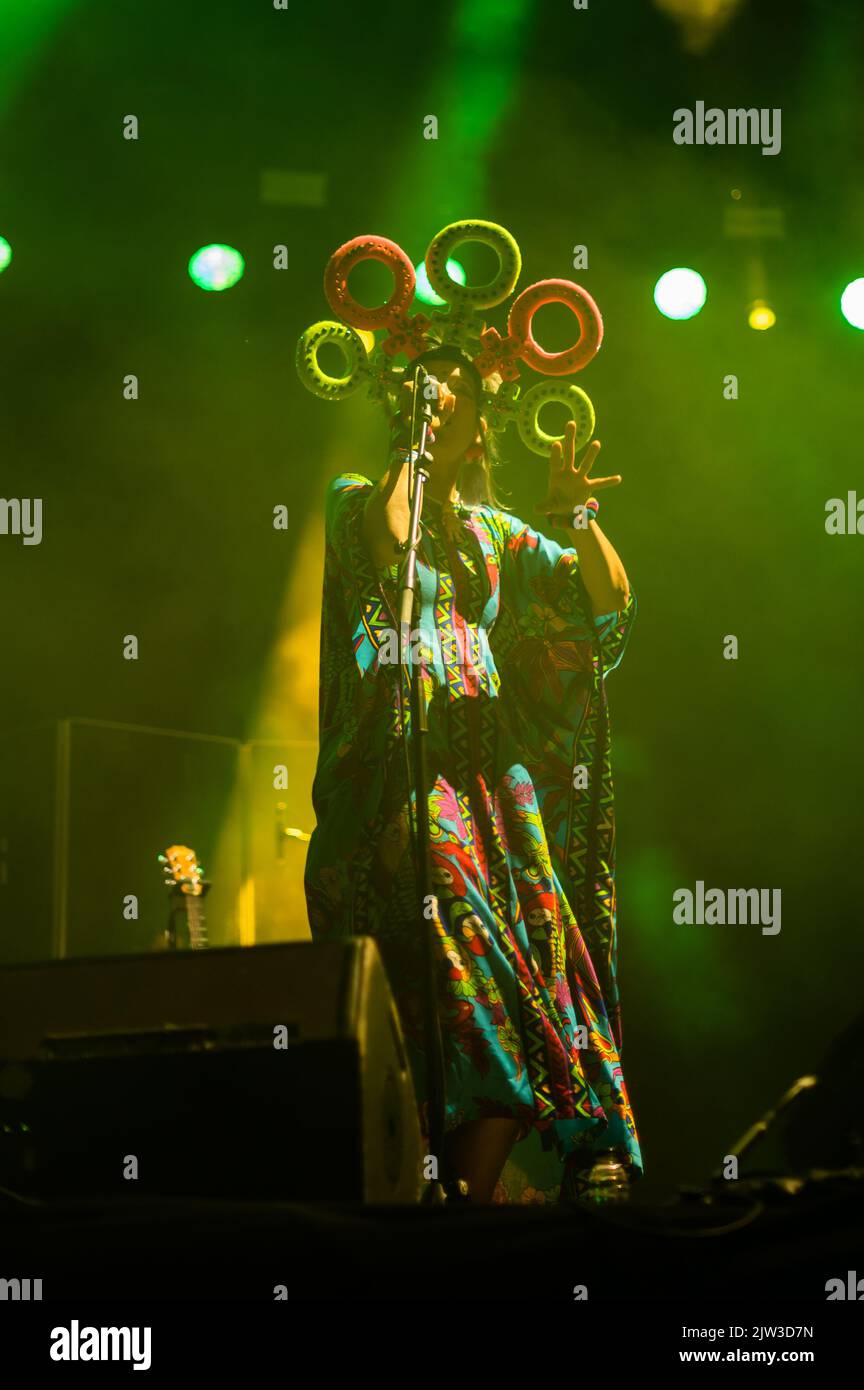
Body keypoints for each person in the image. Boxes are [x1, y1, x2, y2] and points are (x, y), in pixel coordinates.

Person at [304, 343, 643, 1203]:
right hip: (399, 769)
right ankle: (444, 1185)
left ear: (482, 413)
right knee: (447, 937)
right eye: (428, 380)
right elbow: (389, 548)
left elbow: (605, 602)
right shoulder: (360, 501)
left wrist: (573, 517)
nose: (439, 389)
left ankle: (479, 1193)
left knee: (528, 953)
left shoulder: (497, 533)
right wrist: (415, 454)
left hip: (493, 775)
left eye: (456, 379)